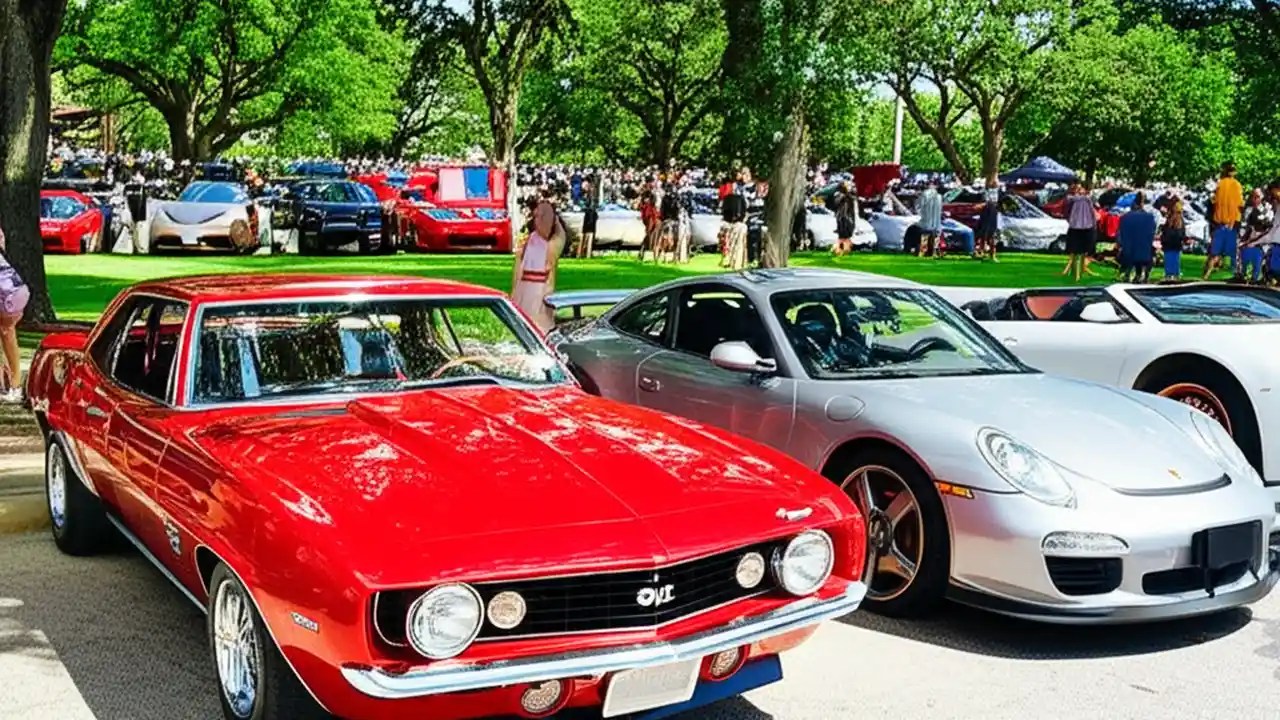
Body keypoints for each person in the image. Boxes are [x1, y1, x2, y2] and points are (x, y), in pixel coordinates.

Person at [510, 200, 565, 333]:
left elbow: (560, 237)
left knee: (540, 323)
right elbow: (519, 267)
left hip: (541, 287)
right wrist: (514, 291)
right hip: (525, 287)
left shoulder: (553, 243)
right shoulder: (529, 240)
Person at [0, 224, 29, 402]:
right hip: (11, 290)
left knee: (7, 332)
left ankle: (16, 385)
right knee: (6, 333)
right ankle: (8, 384)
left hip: (8, 293)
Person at [1204, 161, 1244, 279]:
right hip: (1232, 223)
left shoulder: (1219, 184)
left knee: (1214, 252)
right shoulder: (1237, 185)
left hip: (1219, 222)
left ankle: (1206, 275)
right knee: (1233, 252)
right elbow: (1240, 204)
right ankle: (1238, 274)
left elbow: (1213, 202)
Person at [1116, 192, 1157, 283]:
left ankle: (1127, 274)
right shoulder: (1149, 218)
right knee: (1143, 257)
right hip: (1144, 250)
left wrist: (1119, 245)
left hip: (1129, 250)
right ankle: (1141, 275)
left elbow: (1119, 234)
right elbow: (1153, 233)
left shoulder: (1125, 217)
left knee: (1130, 257)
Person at [1062, 182, 1098, 282]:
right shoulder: (1088, 200)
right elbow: (1092, 213)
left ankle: (1075, 272)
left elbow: (1067, 211)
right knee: (1083, 251)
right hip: (1087, 228)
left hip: (1075, 228)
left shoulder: (1072, 200)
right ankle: (1078, 272)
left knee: (1075, 251)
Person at [1238, 188, 1272, 284]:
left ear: (1262, 197)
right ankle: (1242, 277)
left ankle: (1257, 279)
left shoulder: (1267, 209)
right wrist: (1243, 239)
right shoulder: (1249, 210)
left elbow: (1269, 227)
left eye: (1257, 196)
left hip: (1261, 243)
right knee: (1244, 262)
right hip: (1248, 241)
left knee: (1258, 265)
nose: (1255, 199)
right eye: (1253, 197)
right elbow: (1243, 225)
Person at [720, 181, 749, 270]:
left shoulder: (727, 199)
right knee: (736, 245)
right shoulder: (740, 198)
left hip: (732, 225)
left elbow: (723, 211)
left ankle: (731, 261)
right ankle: (737, 262)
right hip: (738, 224)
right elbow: (745, 209)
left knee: (730, 244)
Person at [1158, 200, 1187, 282]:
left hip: (1168, 242)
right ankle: (1175, 274)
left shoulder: (1169, 218)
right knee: (1175, 259)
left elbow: (1166, 230)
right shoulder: (1180, 220)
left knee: (1168, 258)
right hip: (1176, 243)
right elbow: (1182, 232)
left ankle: (1168, 275)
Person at [974, 181, 1001, 262]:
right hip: (988, 212)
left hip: (990, 211)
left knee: (990, 234)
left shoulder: (993, 194)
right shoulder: (987, 192)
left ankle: (989, 254)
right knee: (985, 234)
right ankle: (984, 253)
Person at [916, 180, 943, 258]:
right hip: (935, 220)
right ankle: (934, 252)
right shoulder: (939, 196)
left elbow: (919, 206)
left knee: (926, 234)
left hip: (927, 219)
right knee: (935, 235)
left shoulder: (925, 194)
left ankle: (923, 251)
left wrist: (920, 214)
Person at [832, 182, 858, 256]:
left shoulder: (850, 197)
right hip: (841, 217)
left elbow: (853, 200)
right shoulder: (838, 195)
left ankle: (846, 249)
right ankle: (839, 250)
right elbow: (836, 202)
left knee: (847, 235)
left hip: (848, 217)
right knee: (842, 235)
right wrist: (844, 196)